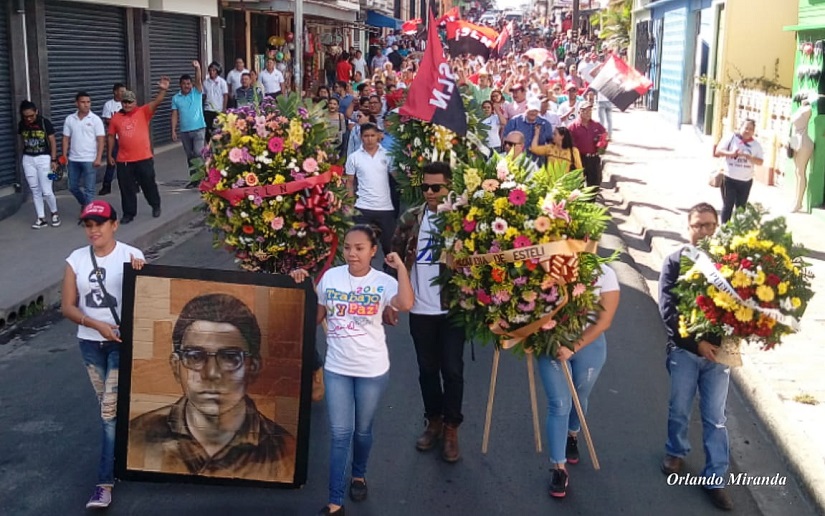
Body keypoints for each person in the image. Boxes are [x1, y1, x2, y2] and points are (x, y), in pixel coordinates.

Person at [289, 225, 414, 516]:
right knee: (340, 433)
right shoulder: (331, 277)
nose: (352, 253)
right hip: (337, 369)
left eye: (359, 248)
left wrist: (402, 271)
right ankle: (335, 502)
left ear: (373, 251)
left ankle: (358, 474)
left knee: (362, 431)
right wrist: (302, 284)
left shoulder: (383, 282)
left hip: (372, 370)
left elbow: (406, 303)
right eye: (347, 247)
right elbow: (315, 316)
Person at [127, 293, 297, 483]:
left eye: (230, 357)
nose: (212, 373)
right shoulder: (135, 437)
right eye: (195, 356)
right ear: (176, 366)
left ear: (253, 367)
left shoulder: (286, 452)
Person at [61, 200, 146, 508]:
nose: (94, 230)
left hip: (121, 343)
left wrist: (143, 274)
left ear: (114, 225)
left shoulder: (132, 256)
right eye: (88, 225)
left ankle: (103, 483)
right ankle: (124, 454)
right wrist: (95, 324)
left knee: (109, 412)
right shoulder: (76, 260)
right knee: (108, 409)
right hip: (90, 343)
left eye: (100, 223)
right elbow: (68, 306)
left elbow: (149, 296)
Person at [658, 203, 733, 511]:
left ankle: (715, 478)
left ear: (717, 227)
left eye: (709, 225)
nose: (704, 231)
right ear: (687, 228)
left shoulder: (730, 264)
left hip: (719, 355)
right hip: (685, 351)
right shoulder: (675, 262)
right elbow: (668, 310)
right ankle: (676, 451)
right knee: (679, 409)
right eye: (698, 225)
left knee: (715, 418)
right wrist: (695, 343)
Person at [390, 162, 466, 462]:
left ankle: (451, 428)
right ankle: (433, 421)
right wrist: (391, 301)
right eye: (425, 187)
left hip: (453, 309)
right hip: (420, 309)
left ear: (449, 186)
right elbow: (394, 258)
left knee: (453, 370)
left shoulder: (462, 220)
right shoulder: (411, 218)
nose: (430, 193)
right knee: (427, 369)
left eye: (437, 187)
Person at [537, 263, 620, 498]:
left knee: (579, 396)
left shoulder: (605, 273)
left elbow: (604, 321)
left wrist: (573, 347)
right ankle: (558, 468)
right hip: (551, 344)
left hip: (589, 346)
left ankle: (572, 434)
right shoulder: (543, 268)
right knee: (559, 403)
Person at [107, 80, 169, 224]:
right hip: (124, 160)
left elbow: (157, 102)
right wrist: (110, 154)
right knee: (126, 188)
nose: (127, 105)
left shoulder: (143, 112)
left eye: (130, 102)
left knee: (148, 183)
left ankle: (155, 205)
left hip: (143, 157)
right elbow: (111, 137)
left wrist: (163, 90)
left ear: (135, 102)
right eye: (125, 102)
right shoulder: (116, 118)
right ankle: (129, 213)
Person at [345, 123, 397, 258]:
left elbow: (396, 176)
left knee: (389, 247)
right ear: (361, 137)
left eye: (372, 135)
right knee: (361, 248)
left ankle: (391, 275)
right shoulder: (354, 157)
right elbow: (349, 182)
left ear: (379, 136)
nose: (369, 139)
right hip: (363, 207)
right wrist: (350, 205)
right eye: (366, 136)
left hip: (385, 207)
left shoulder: (388, 155)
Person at [18, 100, 61, 229]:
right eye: (26, 116)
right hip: (28, 159)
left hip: (44, 158)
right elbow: (22, 140)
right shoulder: (22, 124)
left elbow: (53, 141)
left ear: (36, 111)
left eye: (31, 115)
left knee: (47, 190)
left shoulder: (44, 122)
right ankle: (41, 218)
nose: (29, 119)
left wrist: (54, 160)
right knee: (35, 189)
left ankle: (54, 213)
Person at [714, 119, 764, 223]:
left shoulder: (756, 145)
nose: (747, 131)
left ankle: (738, 231)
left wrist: (749, 157)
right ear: (740, 128)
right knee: (728, 205)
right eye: (746, 128)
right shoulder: (731, 138)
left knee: (741, 208)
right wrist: (731, 154)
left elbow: (760, 162)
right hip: (729, 178)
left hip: (746, 181)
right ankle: (724, 229)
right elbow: (718, 151)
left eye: (751, 129)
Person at [63, 91, 105, 208]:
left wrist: (98, 158)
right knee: (72, 187)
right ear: (76, 103)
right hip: (73, 159)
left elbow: (101, 140)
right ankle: (85, 204)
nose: (86, 105)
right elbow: (66, 138)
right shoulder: (70, 119)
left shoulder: (95, 120)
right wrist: (64, 155)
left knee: (89, 189)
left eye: (88, 102)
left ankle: (89, 214)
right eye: (83, 102)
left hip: (90, 160)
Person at [568, 103, 607, 191]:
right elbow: (568, 144)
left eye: (590, 110)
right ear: (579, 112)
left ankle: (591, 203)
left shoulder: (597, 125)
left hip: (593, 159)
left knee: (594, 185)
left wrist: (603, 144)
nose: (588, 113)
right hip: (579, 159)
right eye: (585, 110)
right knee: (577, 186)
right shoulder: (572, 127)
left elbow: (604, 139)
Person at [99, 83, 125, 196]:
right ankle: (106, 186)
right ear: (115, 92)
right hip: (114, 138)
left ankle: (133, 184)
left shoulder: (127, 103)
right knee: (111, 162)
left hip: (126, 138)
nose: (123, 93)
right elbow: (107, 120)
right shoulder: (109, 105)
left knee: (128, 163)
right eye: (121, 91)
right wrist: (118, 123)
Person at [203, 62, 228, 141]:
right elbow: (204, 95)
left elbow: (225, 95)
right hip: (208, 109)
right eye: (210, 70)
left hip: (218, 109)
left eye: (214, 70)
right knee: (208, 130)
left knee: (217, 130)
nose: (211, 72)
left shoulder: (222, 82)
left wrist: (224, 108)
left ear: (217, 71)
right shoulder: (205, 82)